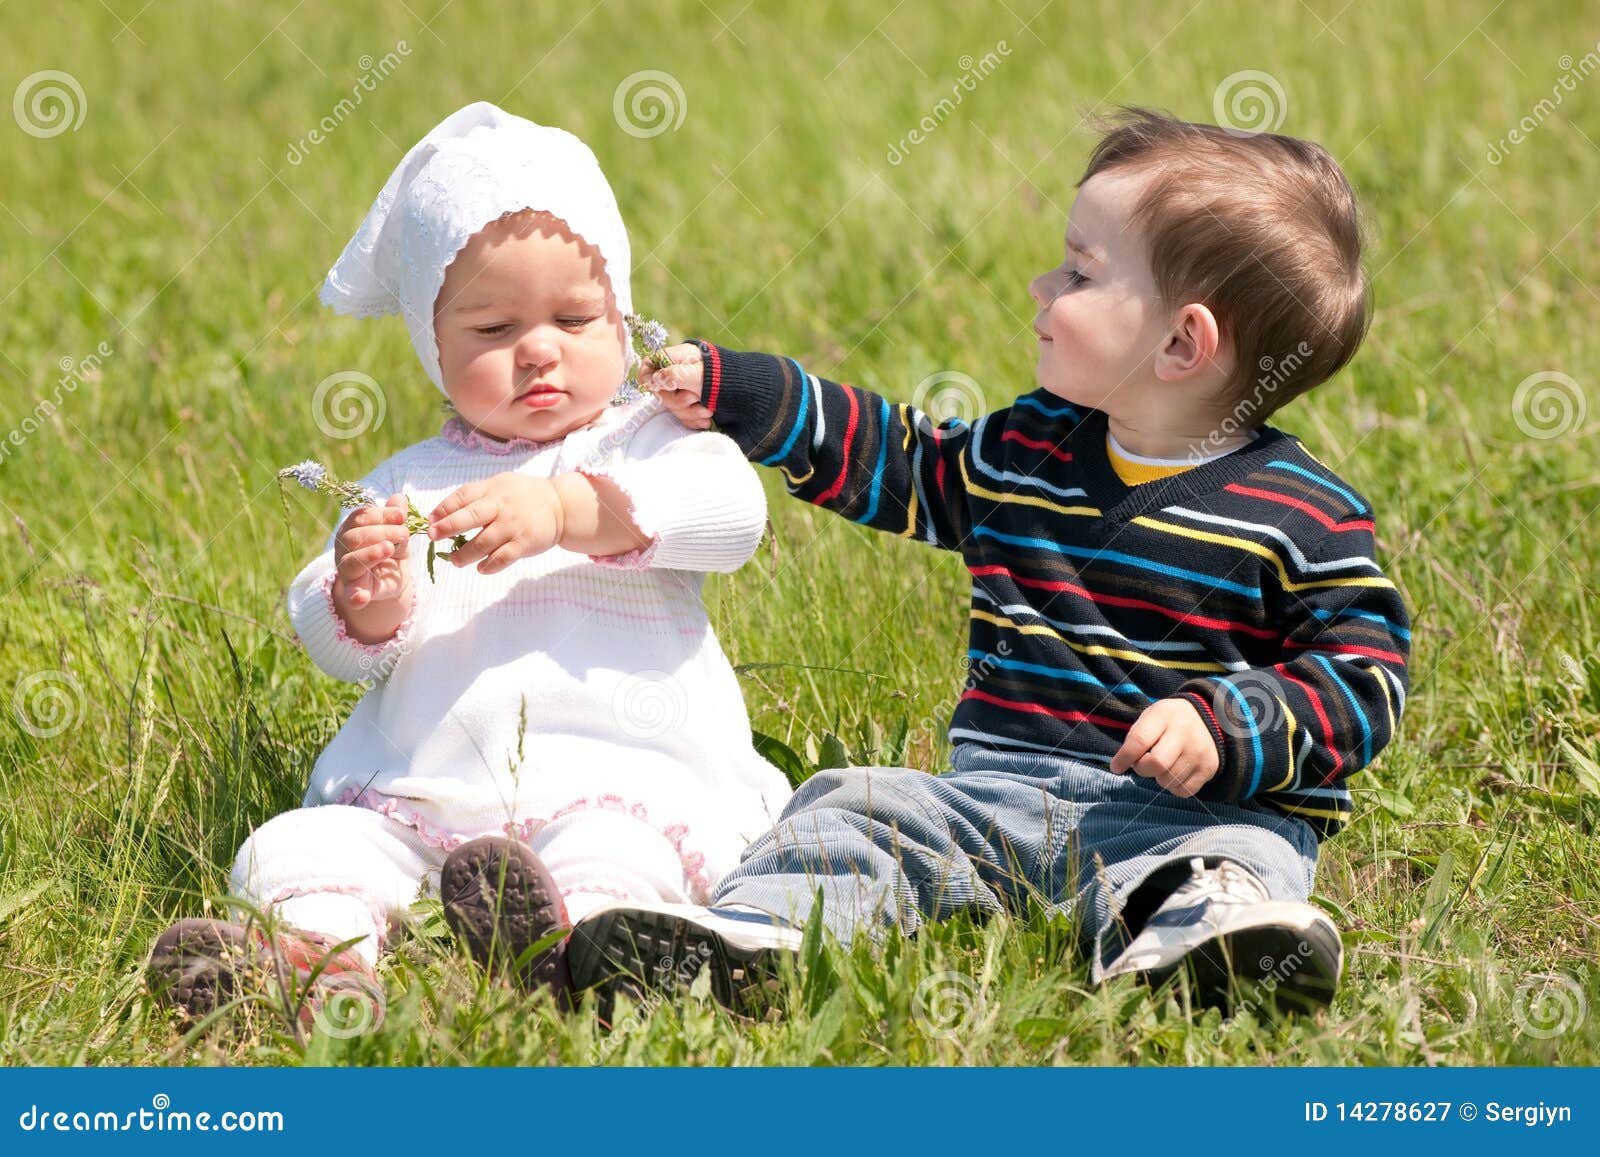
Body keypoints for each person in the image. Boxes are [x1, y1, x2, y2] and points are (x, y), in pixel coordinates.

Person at [567, 108, 1411, 1015]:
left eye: (1080, 272)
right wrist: (752, 394)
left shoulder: (1306, 514)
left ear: (1181, 343)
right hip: (990, 798)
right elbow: (906, 462)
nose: (1042, 286)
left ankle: (1205, 945)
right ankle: (757, 937)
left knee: (1235, 862)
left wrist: (1226, 724)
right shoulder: (1028, 450)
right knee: (853, 809)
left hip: (1185, 814)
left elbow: (1365, 678)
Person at [146, 102, 791, 1023]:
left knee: (614, 847)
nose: (538, 350)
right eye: (492, 330)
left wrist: (568, 509)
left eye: (576, 316)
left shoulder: (649, 440)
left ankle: (589, 943)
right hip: (430, 797)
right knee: (295, 843)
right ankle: (313, 958)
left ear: (623, 315)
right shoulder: (413, 481)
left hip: (620, 771)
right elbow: (335, 642)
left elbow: (733, 515)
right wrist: (363, 597)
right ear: (434, 349)